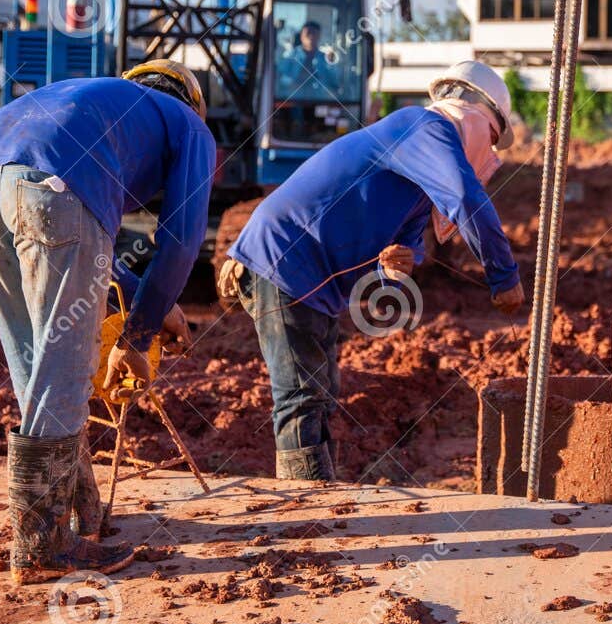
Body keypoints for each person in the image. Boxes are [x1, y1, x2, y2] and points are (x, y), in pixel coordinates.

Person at [0, 62, 216, 584]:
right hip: (53, 190)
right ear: (191, 101)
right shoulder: (188, 124)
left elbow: (90, 251)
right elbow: (184, 238)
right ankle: (43, 547)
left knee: (34, 359)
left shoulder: (97, 99)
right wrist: (136, 338)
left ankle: (79, 515)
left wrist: (153, 302)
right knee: (66, 368)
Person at [217, 60, 524, 482]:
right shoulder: (424, 127)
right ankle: (303, 505)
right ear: (475, 115)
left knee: (320, 392)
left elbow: (411, 243)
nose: (489, 152)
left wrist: (402, 264)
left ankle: (313, 493)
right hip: (285, 258)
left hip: (311, 276)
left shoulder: (421, 160)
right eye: (491, 138)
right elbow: (466, 199)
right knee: (301, 394)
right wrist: (504, 276)